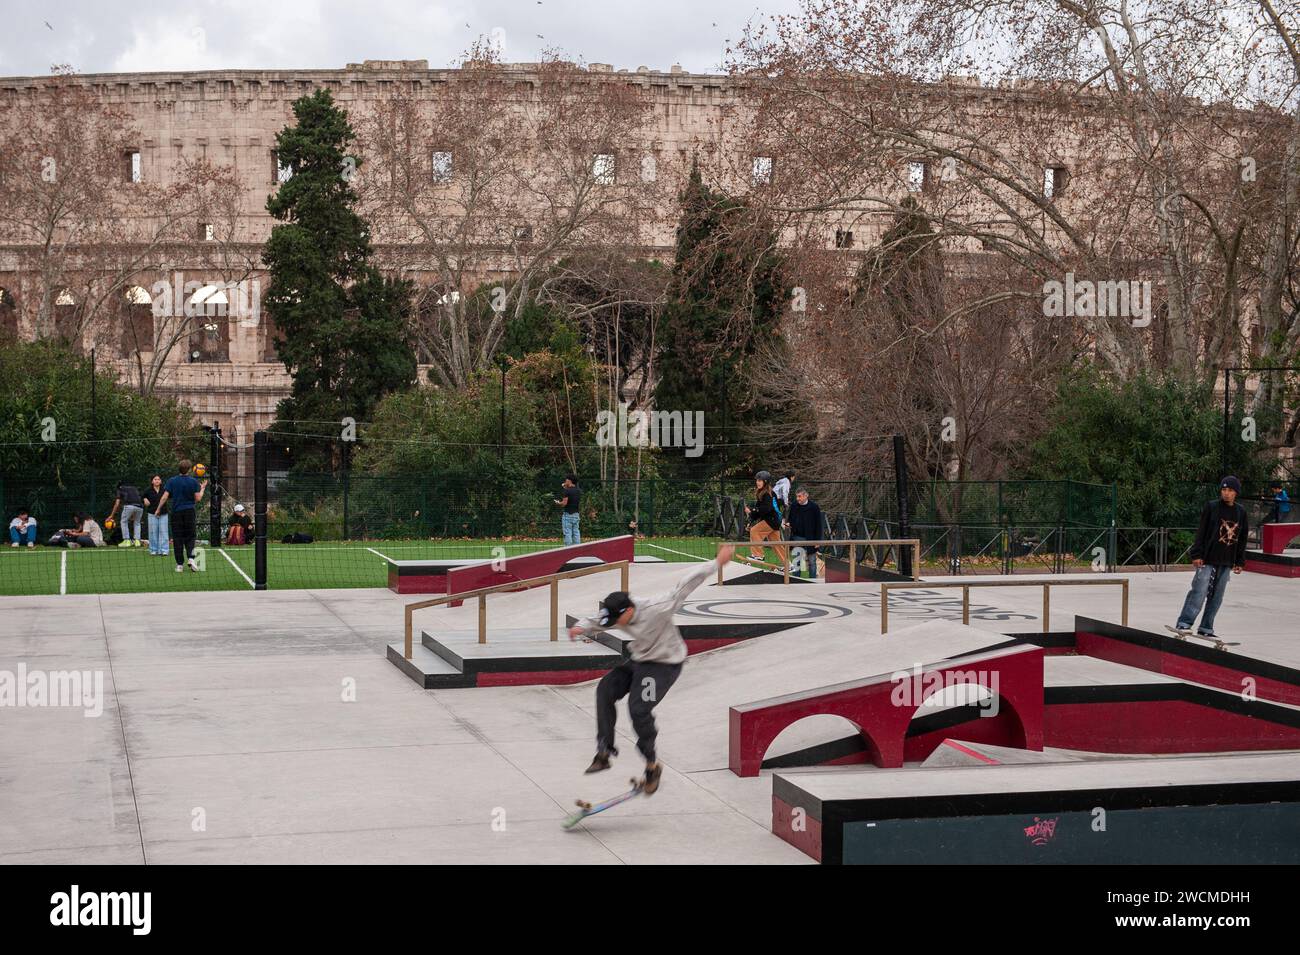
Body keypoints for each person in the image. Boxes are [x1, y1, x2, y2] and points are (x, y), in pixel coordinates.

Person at [568, 544, 736, 794]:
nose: (614, 626)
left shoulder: (658, 607)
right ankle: (604, 751)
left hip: (664, 665)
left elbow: (685, 585)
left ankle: (651, 765)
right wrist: (580, 627)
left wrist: (717, 563)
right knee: (604, 689)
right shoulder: (615, 612)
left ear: (629, 610)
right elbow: (596, 621)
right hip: (639, 660)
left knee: (638, 709)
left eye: (617, 621)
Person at [1169, 476, 1249, 640]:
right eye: (1224, 490)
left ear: (1236, 493)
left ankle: (1206, 626)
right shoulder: (1212, 507)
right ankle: (1184, 623)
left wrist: (1240, 561)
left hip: (1226, 560)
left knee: (1217, 596)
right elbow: (1201, 532)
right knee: (1199, 591)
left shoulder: (1241, 512)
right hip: (1207, 558)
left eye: (1230, 490)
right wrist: (1196, 554)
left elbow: (1242, 538)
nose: (1226, 493)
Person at [155, 459, 207, 572]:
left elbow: (164, 497)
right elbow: (198, 498)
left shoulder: (172, 481)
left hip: (176, 513)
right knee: (190, 536)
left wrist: (158, 509)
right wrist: (202, 488)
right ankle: (191, 558)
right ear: (189, 469)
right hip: (189, 512)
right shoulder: (193, 482)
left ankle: (179, 565)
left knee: (177, 538)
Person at [743, 470, 786, 564]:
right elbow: (760, 510)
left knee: (754, 531)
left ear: (765, 482)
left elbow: (767, 508)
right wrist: (751, 519)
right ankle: (788, 564)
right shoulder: (764, 492)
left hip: (771, 520)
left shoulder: (767, 494)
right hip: (775, 521)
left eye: (760, 481)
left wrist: (753, 510)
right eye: (757, 480)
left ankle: (758, 555)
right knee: (776, 544)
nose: (757, 482)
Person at [783, 486, 823, 579]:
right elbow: (791, 519)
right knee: (797, 561)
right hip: (797, 537)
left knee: (812, 561)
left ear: (806, 496)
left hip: (811, 538)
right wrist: (788, 523)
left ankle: (812, 581)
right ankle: (795, 580)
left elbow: (819, 525)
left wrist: (818, 541)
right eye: (797, 496)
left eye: (800, 496)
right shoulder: (794, 505)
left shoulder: (814, 507)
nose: (798, 499)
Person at [106, 479, 145, 548]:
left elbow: (117, 504)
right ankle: (137, 541)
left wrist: (111, 516)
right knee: (137, 523)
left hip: (129, 505)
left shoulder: (120, 489)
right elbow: (138, 499)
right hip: (140, 506)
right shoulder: (134, 489)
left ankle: (127, 540)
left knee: (123, 521)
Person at [142, 474, 169, 557]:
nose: (157, 481)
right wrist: (144, 499)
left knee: (163, 532)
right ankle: (153, 550)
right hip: (152, 513)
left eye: (158, 479)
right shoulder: (148, 490)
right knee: (153, 532)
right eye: (155, 479)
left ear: (161, 481)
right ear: (152, 481)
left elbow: (170, 496)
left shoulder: (165, 490)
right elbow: (141, 496)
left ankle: (164, 550)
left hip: (163, 513)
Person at [555, 475, 581, 546]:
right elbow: (571, 491)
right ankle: (577, 548)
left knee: (567, 532)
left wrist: (558, 503)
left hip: (568, 515)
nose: (565, 481)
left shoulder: (567, 491)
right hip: (576, 514)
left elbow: (564, 504)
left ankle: (568, 549)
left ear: (569, 481)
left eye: (566, 480)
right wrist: (566, 487)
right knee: (576, 532)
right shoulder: (578, 490)